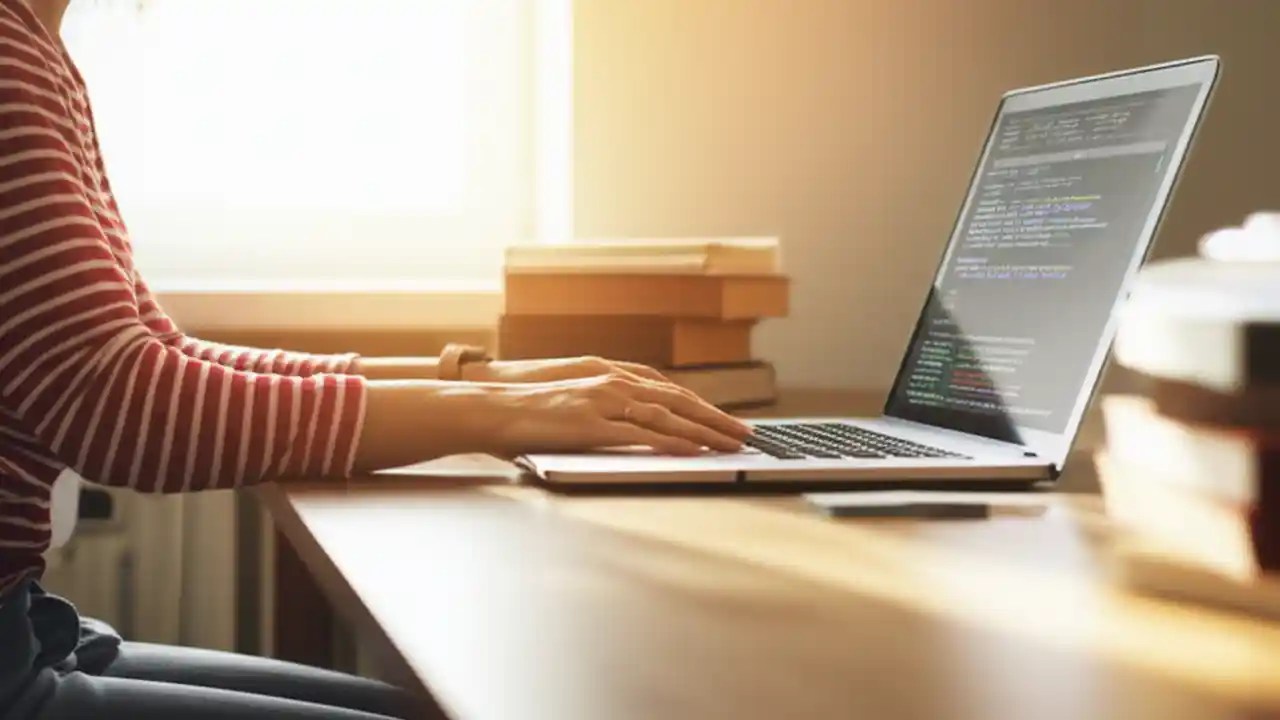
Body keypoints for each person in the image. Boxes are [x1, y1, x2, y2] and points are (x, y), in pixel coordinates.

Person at [0, 0, 753, 717]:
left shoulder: (35, 46)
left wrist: (484, 381)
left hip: (32, 628)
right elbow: (119, 407)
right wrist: (503, 414)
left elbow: (151, 352)